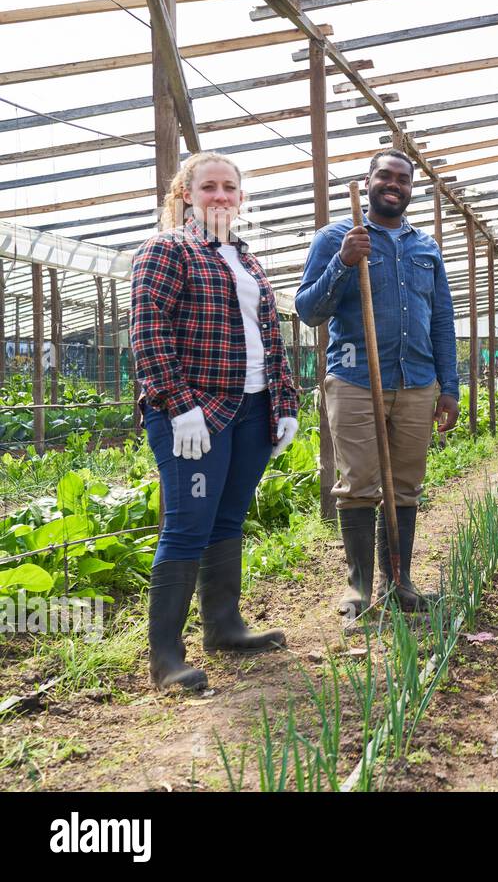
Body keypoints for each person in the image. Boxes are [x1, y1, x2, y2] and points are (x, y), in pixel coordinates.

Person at [131, 152, 298, 691]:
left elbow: (270, 338)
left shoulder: (246, 260)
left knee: (227, 520)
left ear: (242, 198)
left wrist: (286, 402)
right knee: (187, 525)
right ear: (186, 195)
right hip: (197, 413)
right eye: (209, 187)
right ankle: (165, 658)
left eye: (230, 187)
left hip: (251, 410)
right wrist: (177, 405)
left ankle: (224, 627)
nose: (221, 196)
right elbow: (148, 332)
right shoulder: (166, 251)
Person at [296, 150, 460, 616]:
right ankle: (359, 591)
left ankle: (400, 582)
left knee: (406, 485)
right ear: (367, 182)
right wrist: (345, 262)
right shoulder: (336, 238)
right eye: (384, 177)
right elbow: (308, 311)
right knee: (360, 485)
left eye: (403, 180)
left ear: (411, 189)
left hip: (416, 382)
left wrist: (449, 386)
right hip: (354, 380)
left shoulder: (426, 248)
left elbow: (443, 321)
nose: (394, 185)